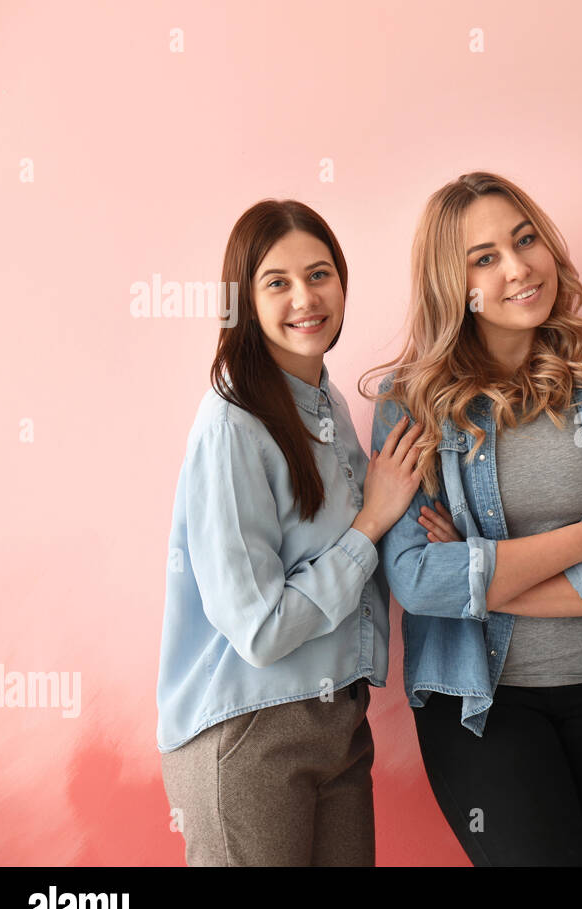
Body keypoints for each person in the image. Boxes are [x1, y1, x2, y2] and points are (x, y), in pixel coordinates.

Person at [362, 171, 582, 866]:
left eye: (525, 239)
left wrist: (486, 580)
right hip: (481, 705)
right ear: (457, 285)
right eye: (485, 257)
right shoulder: (412, 405)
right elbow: (419, 581)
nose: (518, 268)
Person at [157, 199, 425, 865]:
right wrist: (372, 523)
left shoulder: (325, 398)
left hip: (336, 718)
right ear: (244, 301)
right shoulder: (232, 425)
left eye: (320, 274)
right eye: (277, 282)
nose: (305, 297)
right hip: (249, 728)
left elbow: (368, 537)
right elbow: (260, 628)